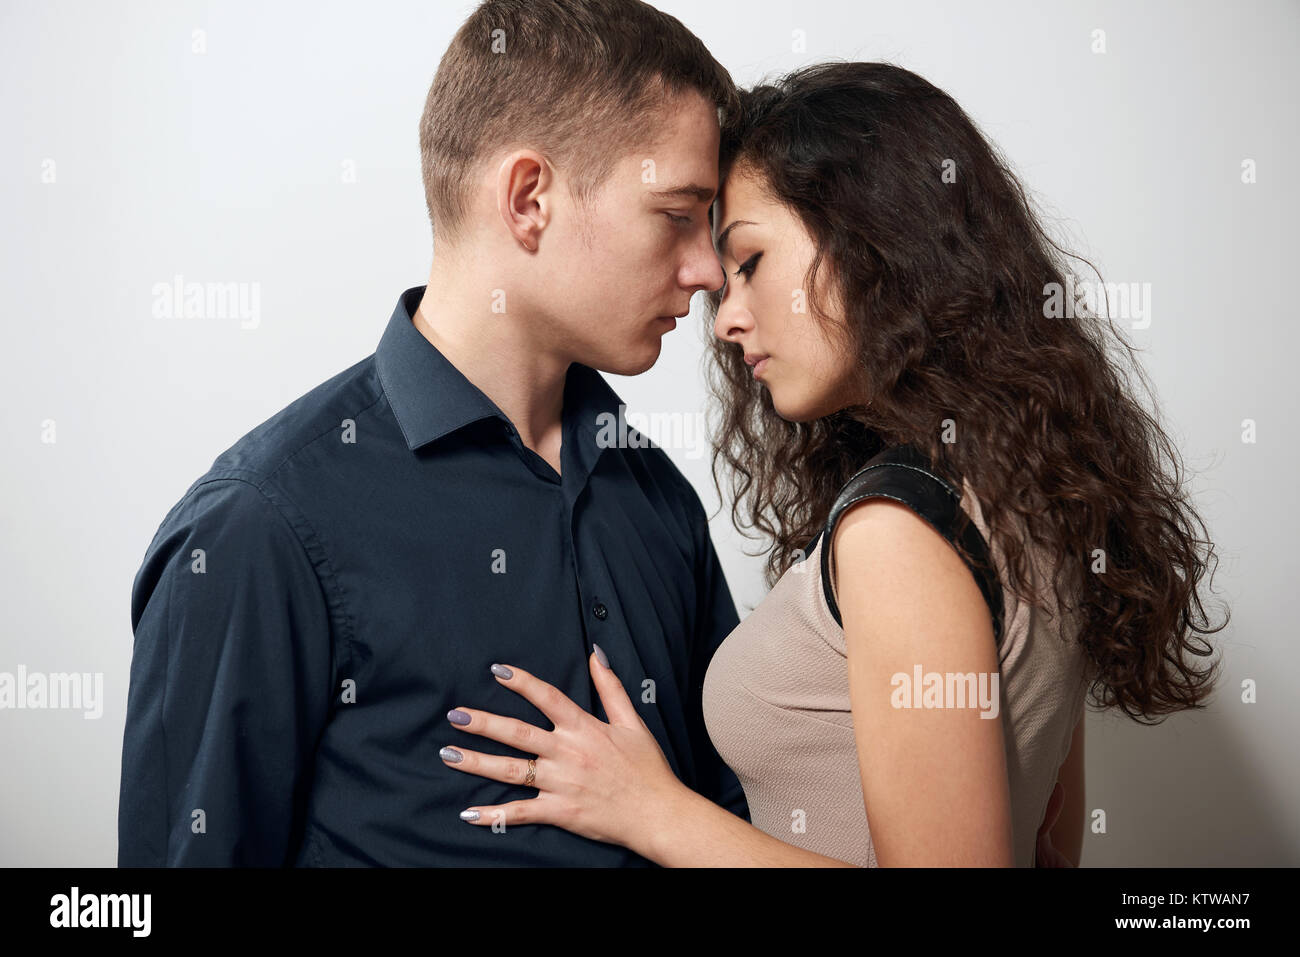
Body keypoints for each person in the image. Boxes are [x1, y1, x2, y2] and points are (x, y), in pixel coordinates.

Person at [440, 61, 1229, 866]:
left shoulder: (898, 532)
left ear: (875, 243)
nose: (726, 316)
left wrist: (651, 811)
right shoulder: (1040, 492)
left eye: (748, 262)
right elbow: (1053, 847)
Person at [118, 0, 750, 866]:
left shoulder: (656, 496)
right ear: (530, 200)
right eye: (679, 214)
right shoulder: (260, 526)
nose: (709, 269)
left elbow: (725, 822)